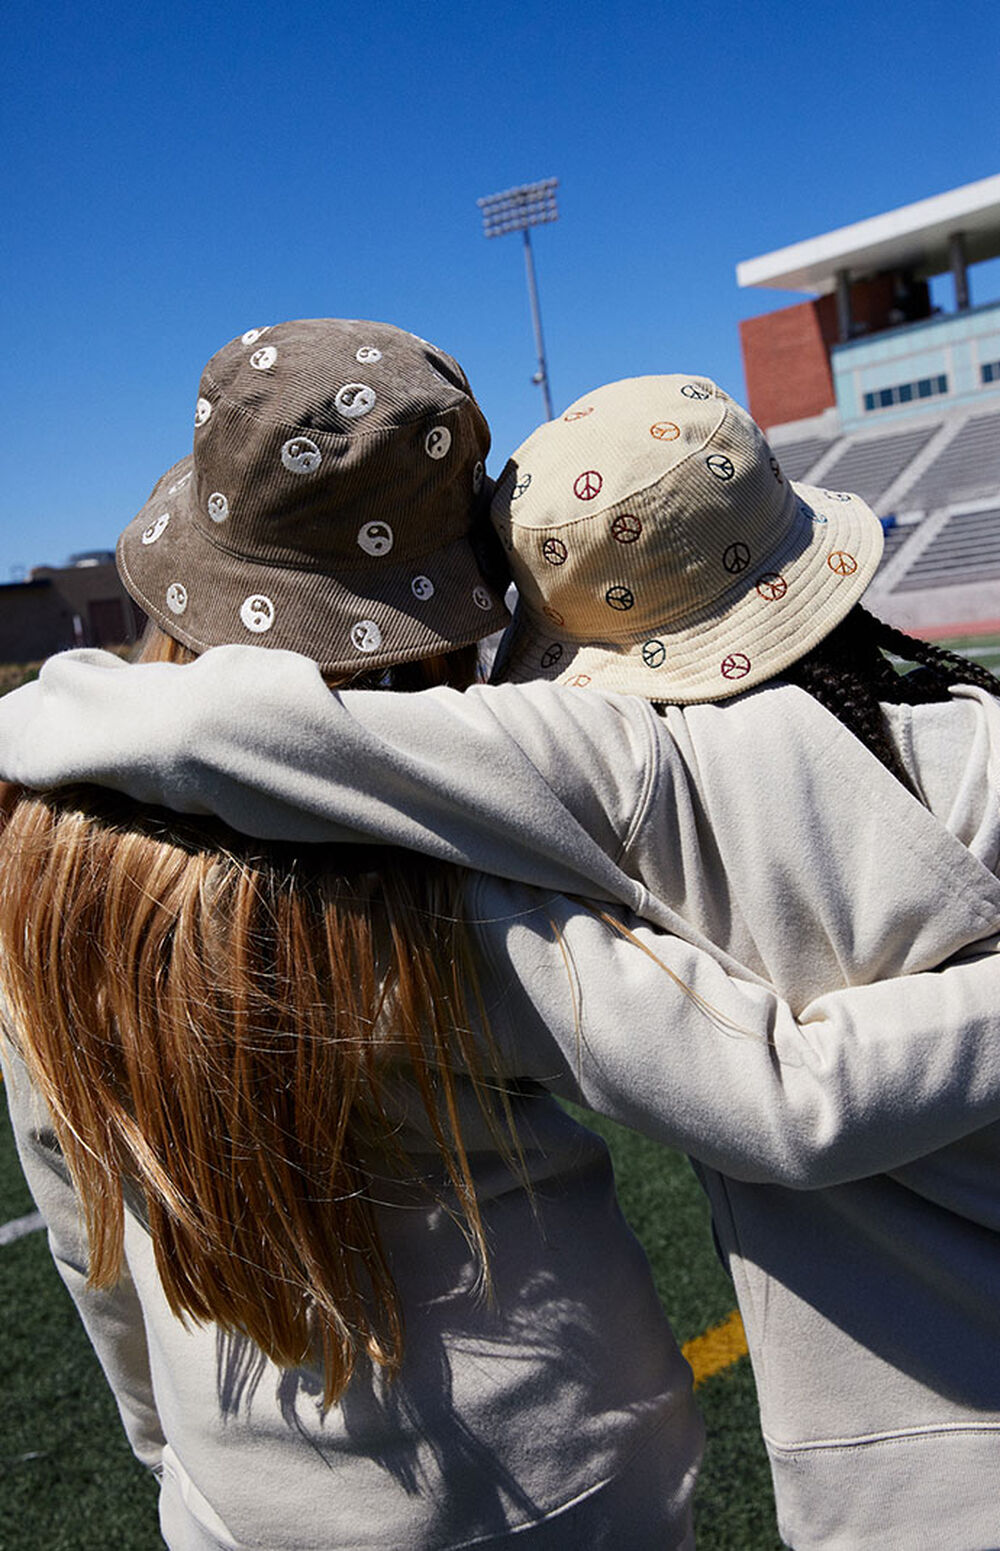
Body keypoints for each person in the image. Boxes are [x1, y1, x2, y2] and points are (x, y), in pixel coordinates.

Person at [8, 373, 1000, 1549]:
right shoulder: (486, 868)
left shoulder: (40, 881)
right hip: (562, 1463)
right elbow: (782, 1098)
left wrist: (170, 1449)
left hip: (245, 1491)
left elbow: (83, 1228)